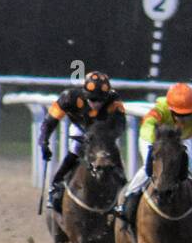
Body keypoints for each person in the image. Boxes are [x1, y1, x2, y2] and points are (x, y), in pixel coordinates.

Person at [116, 82, 192, 231]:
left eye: (187, 114)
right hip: (153, 140)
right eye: (178, 114)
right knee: (149, 170)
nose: (183, 119)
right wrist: (155, 144)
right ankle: (127, 200)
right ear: (170, 109)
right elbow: (147, 125)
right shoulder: (159, 110)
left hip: (177, 142)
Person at [37, 71, 126, 210]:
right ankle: (56, 187)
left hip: (103, 133)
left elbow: (120, 127)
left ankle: (123, 192)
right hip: (81, 128)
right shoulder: (69, 97)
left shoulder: (114, 101)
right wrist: (43, 141)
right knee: (76, 148)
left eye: (100, 100)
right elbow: (49, 121)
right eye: (92, 100)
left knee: (112, 153)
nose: (96, 104)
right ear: (84, 95)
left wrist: (106, 138)